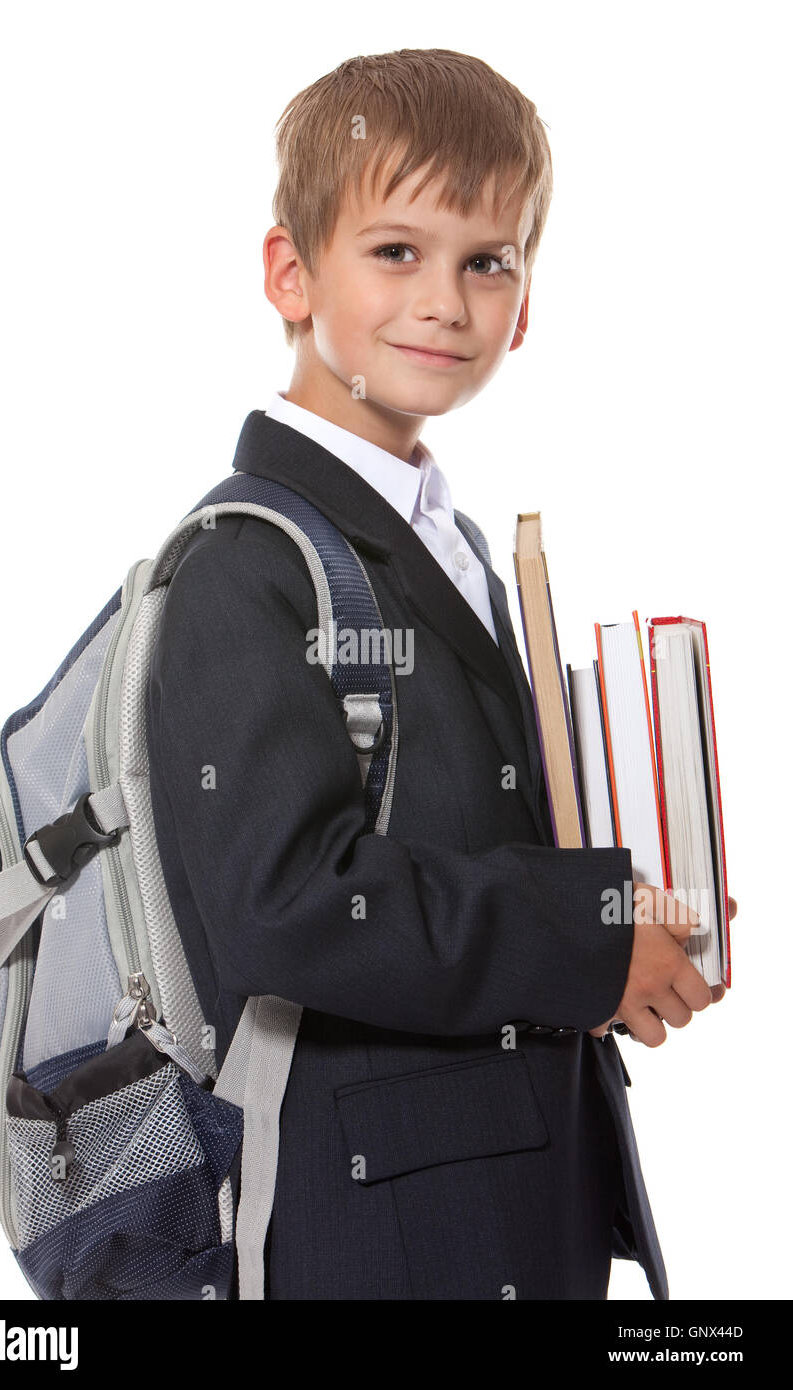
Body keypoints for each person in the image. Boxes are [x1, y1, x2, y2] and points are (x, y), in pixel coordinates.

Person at [146, 47, 733, 1300]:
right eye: (396, 252)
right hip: (375, 1241)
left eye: (487, 261)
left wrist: (621, 939)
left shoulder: (450, 542)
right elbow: (286, 902)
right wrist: (581, 938)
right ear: (290, 275)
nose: (446, 302)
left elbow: (461, 845)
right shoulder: (245, 564)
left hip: (500, 1210)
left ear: (524, 304)